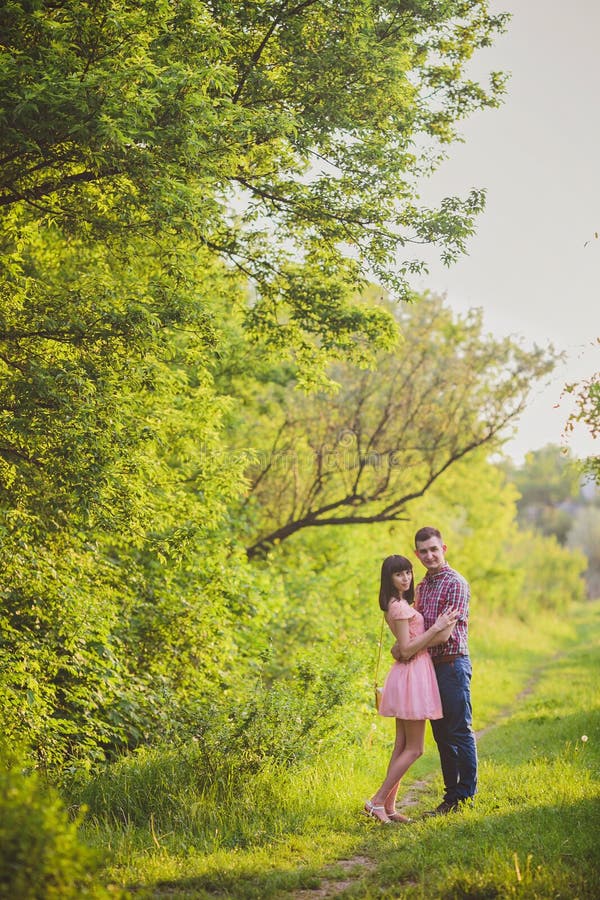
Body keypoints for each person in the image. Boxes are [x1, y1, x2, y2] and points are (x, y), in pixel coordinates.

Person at [364, 554, 459, 824]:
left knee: (402, 746)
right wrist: (438, 628)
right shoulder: (399, 608)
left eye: (407, 572)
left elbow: (410, 645)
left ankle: (389, 807)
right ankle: (376, 801)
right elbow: (406, 649)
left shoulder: (400, 603)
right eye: (399, 574)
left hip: (411, 672)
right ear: (389, 578)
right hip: (412, 676)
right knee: (415, 749)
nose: (405, 578)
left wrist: (436, 631)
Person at [393, 526, 478, 816]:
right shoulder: (423, 586)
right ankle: (450, 797)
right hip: (428, 668)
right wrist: (402, 645)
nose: (429, 555)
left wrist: (408, 649)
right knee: (441, 735)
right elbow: (419, 629)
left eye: (434, 549)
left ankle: (465, 797)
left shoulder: (456, 583)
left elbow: (443, 636)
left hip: (452, 664)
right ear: (417, 554)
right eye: (423, 551)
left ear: (444, 549)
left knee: (459, 731)